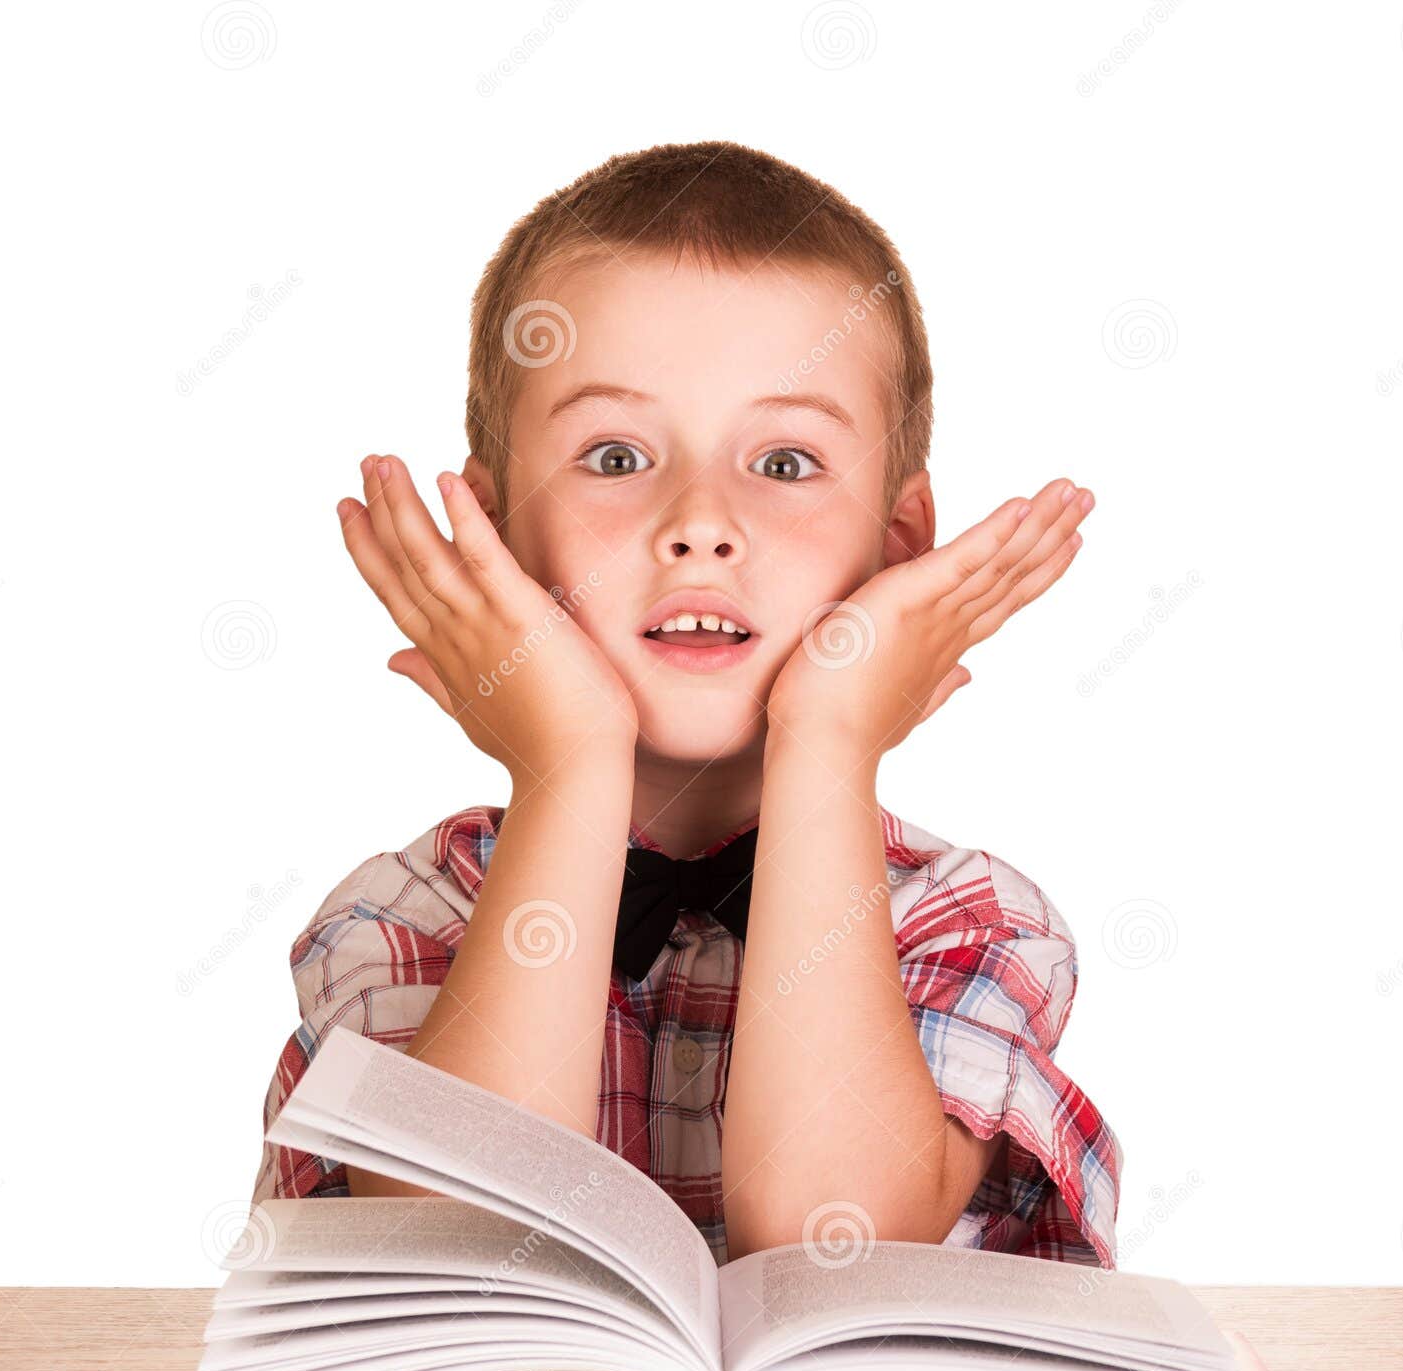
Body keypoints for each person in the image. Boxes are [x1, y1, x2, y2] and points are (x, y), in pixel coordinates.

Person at [252, 140, 1120, 1270]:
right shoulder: (403, 915)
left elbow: (825, 1248)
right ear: (499, 545)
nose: (701, 523)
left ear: (896, 547)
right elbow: (461, 1258)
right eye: (616, 457)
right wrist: (570, 762)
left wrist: (829, 742)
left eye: (786, 463)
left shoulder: (972, 921)